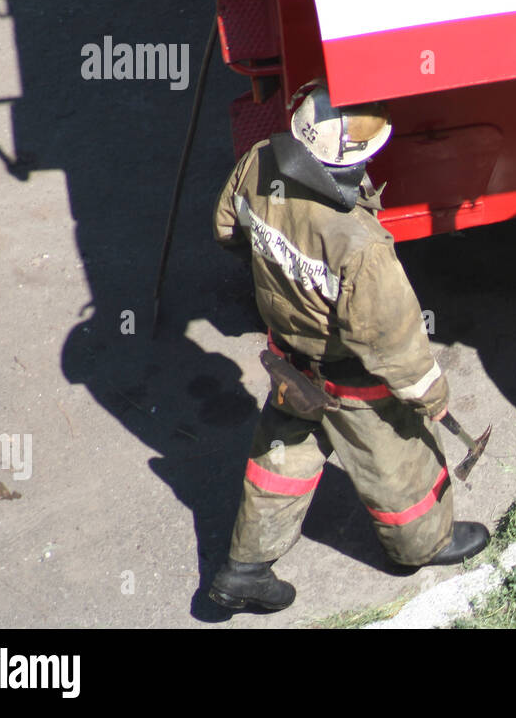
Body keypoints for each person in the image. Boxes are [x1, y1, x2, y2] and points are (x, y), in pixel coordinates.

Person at [207, 82, 488, 612]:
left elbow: (227, 228)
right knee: (397, 464)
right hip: (351, 381)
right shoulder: (360, 245)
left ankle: (243, 571)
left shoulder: (259, 160)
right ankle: (423, 545)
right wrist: (431, 397)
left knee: (282, 460)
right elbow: (393, 340)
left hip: (290, 360)